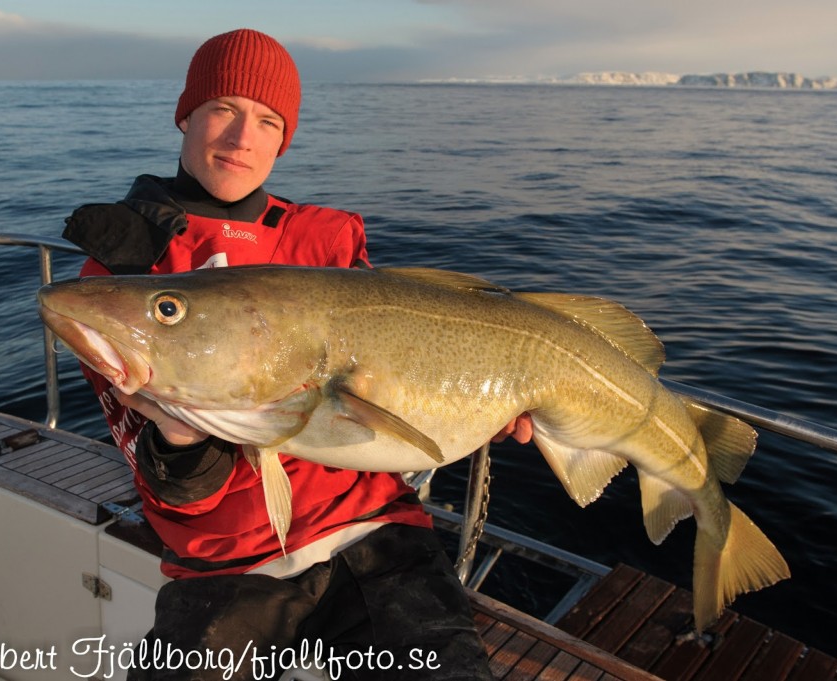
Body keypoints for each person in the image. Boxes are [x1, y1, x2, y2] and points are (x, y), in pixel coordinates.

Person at [63, 28, 530, 681]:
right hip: (230, 569)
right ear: (186, 112)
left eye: (267, 120)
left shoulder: (328, 237)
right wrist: (177, 438)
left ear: (285, 138)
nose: (241, 137)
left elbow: (393, 362)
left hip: (378, 533)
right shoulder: (126, 273)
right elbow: (167, 488)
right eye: (224, 107)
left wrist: (482, 401)